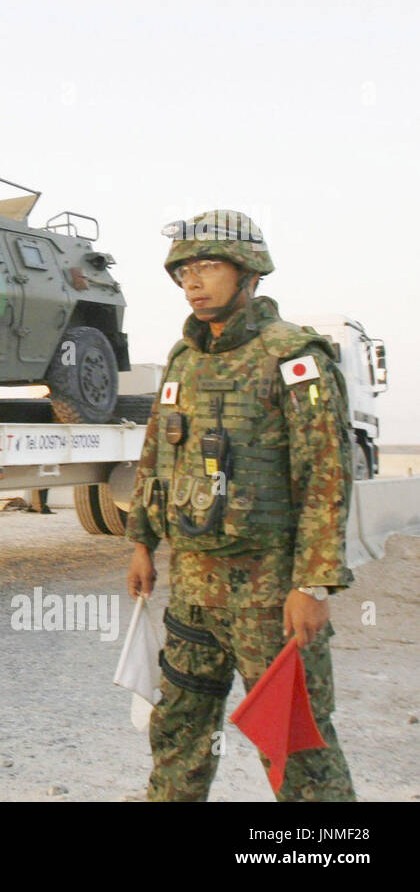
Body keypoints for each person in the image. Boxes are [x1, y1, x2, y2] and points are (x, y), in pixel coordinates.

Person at [124, 209, 355, 801]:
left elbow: (325, 476)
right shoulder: (185, 359)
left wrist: (314, 583)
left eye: (208, 267)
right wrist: (141, 541)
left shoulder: (293, 358)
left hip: (270, 593)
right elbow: (158, 458)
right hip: (194, 587)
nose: (193, 283)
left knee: (295, 742)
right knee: (177, 728)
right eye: (183, 271)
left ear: (249, 272)